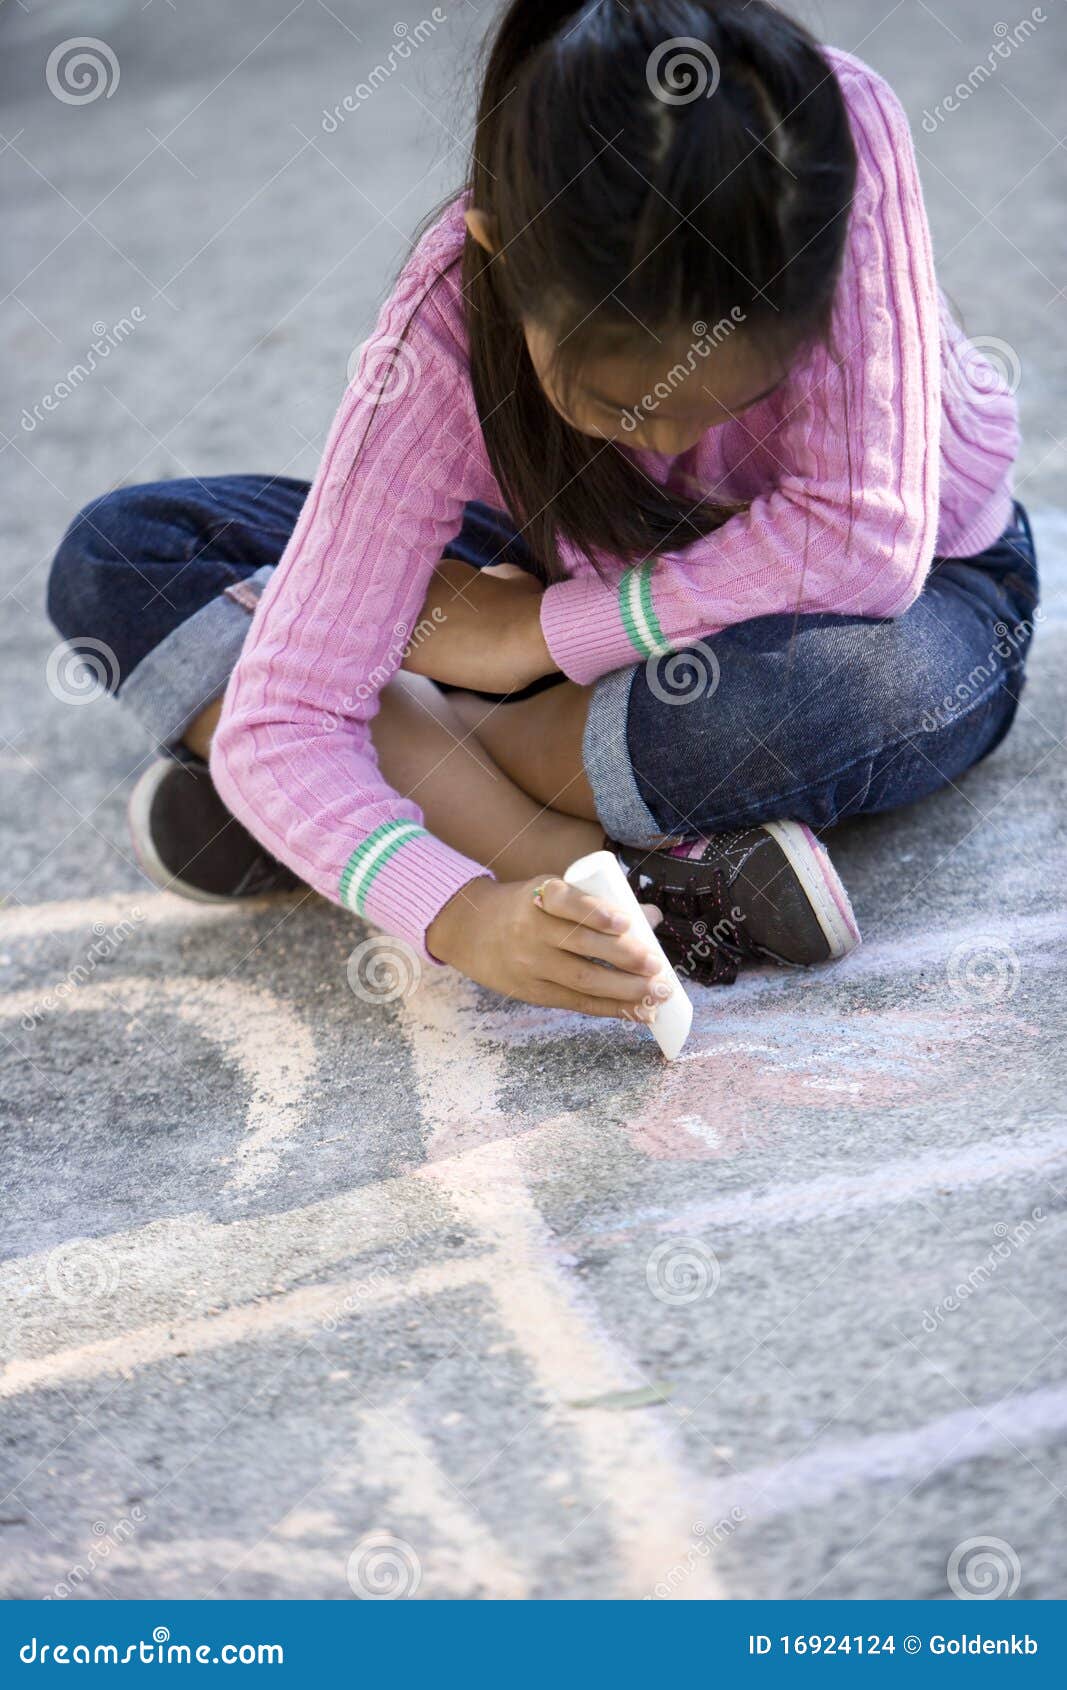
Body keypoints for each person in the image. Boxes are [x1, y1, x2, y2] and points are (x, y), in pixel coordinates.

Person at [47, 0, 1035, 1026]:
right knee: (126, 555)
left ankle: (403, 760)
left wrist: (537, 635)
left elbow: (858, 542)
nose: (660, 443)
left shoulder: (829, 149)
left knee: (789, 707)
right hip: (566, 568)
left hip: (892, 592)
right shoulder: (448, 311)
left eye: (733, 396)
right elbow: (288, 713)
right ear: (501, 258)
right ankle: (623, 879)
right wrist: (466, 916)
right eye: (615, 407)